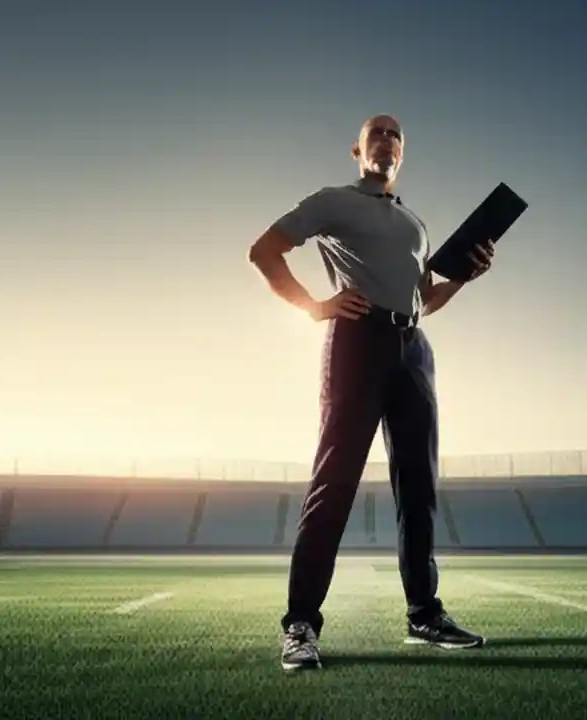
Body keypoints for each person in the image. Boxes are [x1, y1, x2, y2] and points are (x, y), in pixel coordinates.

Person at [248, 114, 495, 671]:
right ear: (357, 149)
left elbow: (424, 299)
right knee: (333, 483)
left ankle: (424, 615)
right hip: (356, 343)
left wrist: (462, 278)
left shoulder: (415, 222)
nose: (387, 140)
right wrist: (314, 307)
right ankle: (301, 626)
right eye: (377, 133)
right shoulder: (333, 201)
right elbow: (264, 250)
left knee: (419, 490)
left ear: (402, 155)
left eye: (396, 136)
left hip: (414, 350)